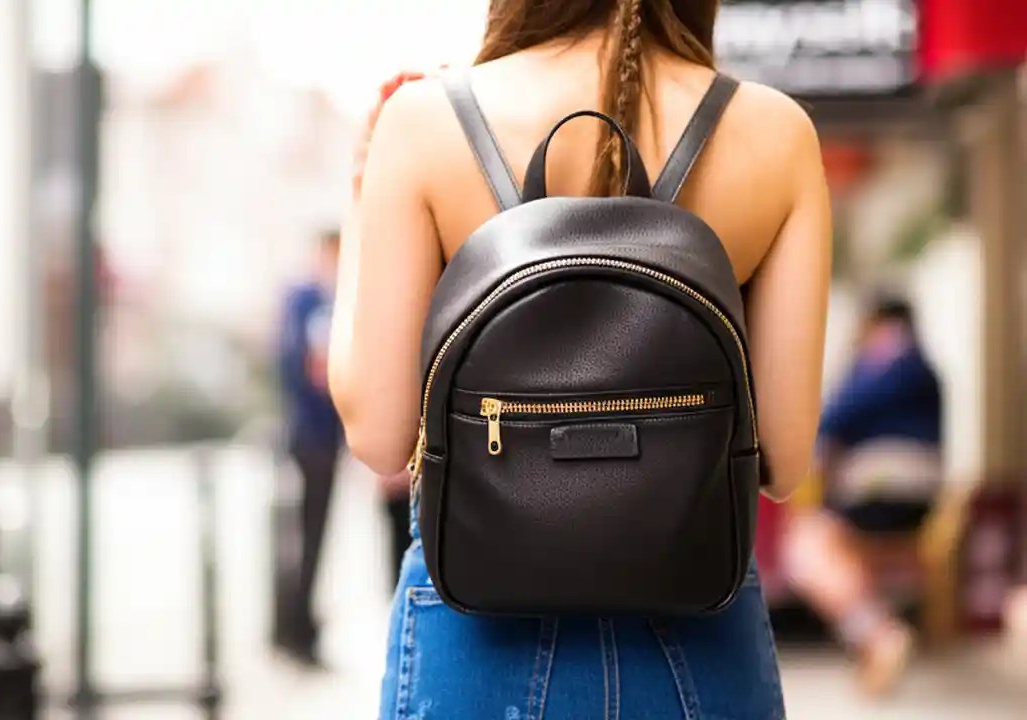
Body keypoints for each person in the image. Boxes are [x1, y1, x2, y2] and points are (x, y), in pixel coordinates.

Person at [329, 1, 831, 717]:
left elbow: (378, 435)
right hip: (701, 641)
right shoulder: (777, 133)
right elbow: (783, 459)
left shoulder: (425, 122)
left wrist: (360, 194)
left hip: (478, 645)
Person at [783, 297, 942, 695]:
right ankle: (876, 640)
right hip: (921, 497)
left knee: (806, 549)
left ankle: (877, 634)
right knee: (856, 557)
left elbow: (837, 413)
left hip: (880, 487)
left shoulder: (890, 351)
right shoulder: (926, 371)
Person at [274, 229, 343, 666]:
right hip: (309, 436)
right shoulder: (305, 299)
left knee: (317, 536)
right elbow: (297, 366)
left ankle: (302, 623)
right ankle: (296, 627)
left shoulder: (332, 300)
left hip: (327, 436)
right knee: (306, 534)